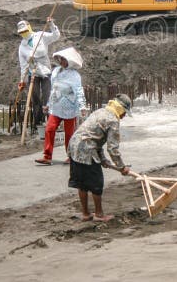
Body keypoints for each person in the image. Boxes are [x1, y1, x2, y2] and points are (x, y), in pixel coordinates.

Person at [67, 94, 133, 222]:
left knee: (82, 183)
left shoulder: (100, 111)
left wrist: (102, 159)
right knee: (96, 182)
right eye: (124, 113)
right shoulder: (113, 120)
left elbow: (96, 138)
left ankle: (86, 214)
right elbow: (112, 148)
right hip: (86, 149)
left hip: (75, 146)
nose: (124, 116)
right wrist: (122, 167)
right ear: (120, 109)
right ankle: (99, 214)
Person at [35, 47, 87, 165]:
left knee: (69, 134)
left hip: (70, 108)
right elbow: (54, 90)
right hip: (56, 106)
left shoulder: (75, 76)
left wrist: (82, 106)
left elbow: (79, 91)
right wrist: (48, 104)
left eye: (64, 59)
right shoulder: (56, 71)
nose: (62, 61)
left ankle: (71, 156)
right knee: (49, 129)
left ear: (70, 62)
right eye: (61, 59)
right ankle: (47, 156)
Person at [17, 17, 60, 126]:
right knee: (35, 98)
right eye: (22, 32)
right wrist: (22, 81)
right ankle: (38, 123)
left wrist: (51, 24)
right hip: (33, 73)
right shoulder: (22, 47)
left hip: (46, 72)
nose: (24, 34)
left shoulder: (41, 36)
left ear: (29, 28)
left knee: (47, 96)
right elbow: (23, 65)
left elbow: (56, 36)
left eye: (25, 31)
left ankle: (51, 122)